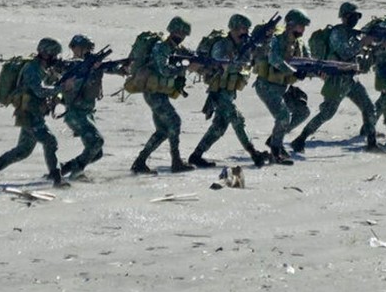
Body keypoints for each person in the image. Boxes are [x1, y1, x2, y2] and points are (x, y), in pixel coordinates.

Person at [291, 2, 380, 153]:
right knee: (327, 113)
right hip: (337, 79)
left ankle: (372, 142)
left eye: (357, 16)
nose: (355, 19)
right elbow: (345, 53)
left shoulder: (354, 33)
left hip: (351, 79)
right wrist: (363, 42)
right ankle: (300, 139)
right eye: (352, 16)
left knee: (369, 108)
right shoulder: (337, 33)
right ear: (344, 17)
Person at [0, 38, 67, 187]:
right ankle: (56, 178)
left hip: (34, 113)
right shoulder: (32, 69)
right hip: (29, 114)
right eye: (55, 54)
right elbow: (39, 91)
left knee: (23, 151)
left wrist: (59, 90)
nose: (57, 58)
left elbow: (50, 86)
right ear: (47, 54)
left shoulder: (43, 68)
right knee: (50, 141)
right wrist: (61, 88)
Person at [188, 14, 270, 168]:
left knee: (219, 127)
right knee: (238, 119)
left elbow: (257, 57)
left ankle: (196, 156)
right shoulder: (222, 45)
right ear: (232, 29)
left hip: (230, 92)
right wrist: (237, 62)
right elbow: (221, 64)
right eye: (240, 29)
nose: (243, 32)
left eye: (246, 29)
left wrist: (263, 40)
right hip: (218, 91)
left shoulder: (245, 44)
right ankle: (254, 153)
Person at [132, 16, 198, 174]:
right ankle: (176, 161)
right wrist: (184, 67)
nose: (181, 36)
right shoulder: (161, 48)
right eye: (178, 32)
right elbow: (165, 70)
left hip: (160, 92)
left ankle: (140, 162)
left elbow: (192, 56)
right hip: (153, 92)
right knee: (174, 122)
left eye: (183, 34)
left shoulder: (176, 49)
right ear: (172, 30)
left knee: (162, 131)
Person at [253, 9, 311, 163]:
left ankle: (274, 139)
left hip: (284, 87)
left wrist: (316, 71)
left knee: (302, 112)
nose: (303, 30)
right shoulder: (276, 40)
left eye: (304, 27)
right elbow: (274, 60)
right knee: (283, 116)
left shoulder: (299, 43)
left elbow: (308, 61)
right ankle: (275, 152)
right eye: (300, 26)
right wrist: (294, 72)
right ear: (290, 25)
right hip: (267, 86)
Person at [57, 34, 117, 177]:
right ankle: (76, 173)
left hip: (87, 113)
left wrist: (124, 67)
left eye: (89, 49)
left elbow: (112, 68)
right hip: (75, 113)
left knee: (96, 152)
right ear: (74, 48)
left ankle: (65, 168)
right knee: (97, 142)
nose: (87, 51)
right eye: (83, 48)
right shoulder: (70, 66)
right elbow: (61, 79)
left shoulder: (93, 65)